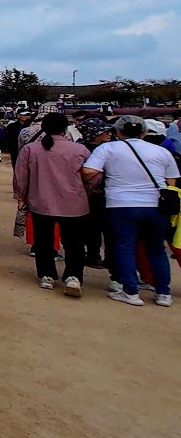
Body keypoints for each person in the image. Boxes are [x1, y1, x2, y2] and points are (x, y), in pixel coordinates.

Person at [81, 116, 179, 307]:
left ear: (118, 131)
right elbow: (171, 180)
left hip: (120, 203)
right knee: (156, 249)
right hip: (155, 205)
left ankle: (130, 291)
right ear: (144, 132)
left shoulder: (108, 148)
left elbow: (88, 172)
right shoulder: (161, 151)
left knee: (124, 246)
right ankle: (163, 293)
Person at [14, 113, 90, 296]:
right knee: (74, 243)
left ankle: (46, 275)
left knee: (43, 240)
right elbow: (91, 175)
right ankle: (73, 276)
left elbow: (21, 176)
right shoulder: (80, 150)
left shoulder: (31, 149)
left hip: (41, 201)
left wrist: (21, 196)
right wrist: (88, 191)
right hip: (74, 203)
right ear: (65, 129)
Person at [77, 118, 115, 270]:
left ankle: (107, 257)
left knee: (107, 228)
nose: (109, 133)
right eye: (105, 131)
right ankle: (94, 256)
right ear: (94, 133)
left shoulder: (111, 147)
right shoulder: (83, 150)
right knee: (93, 227)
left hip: (106, 193)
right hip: (93, 194)